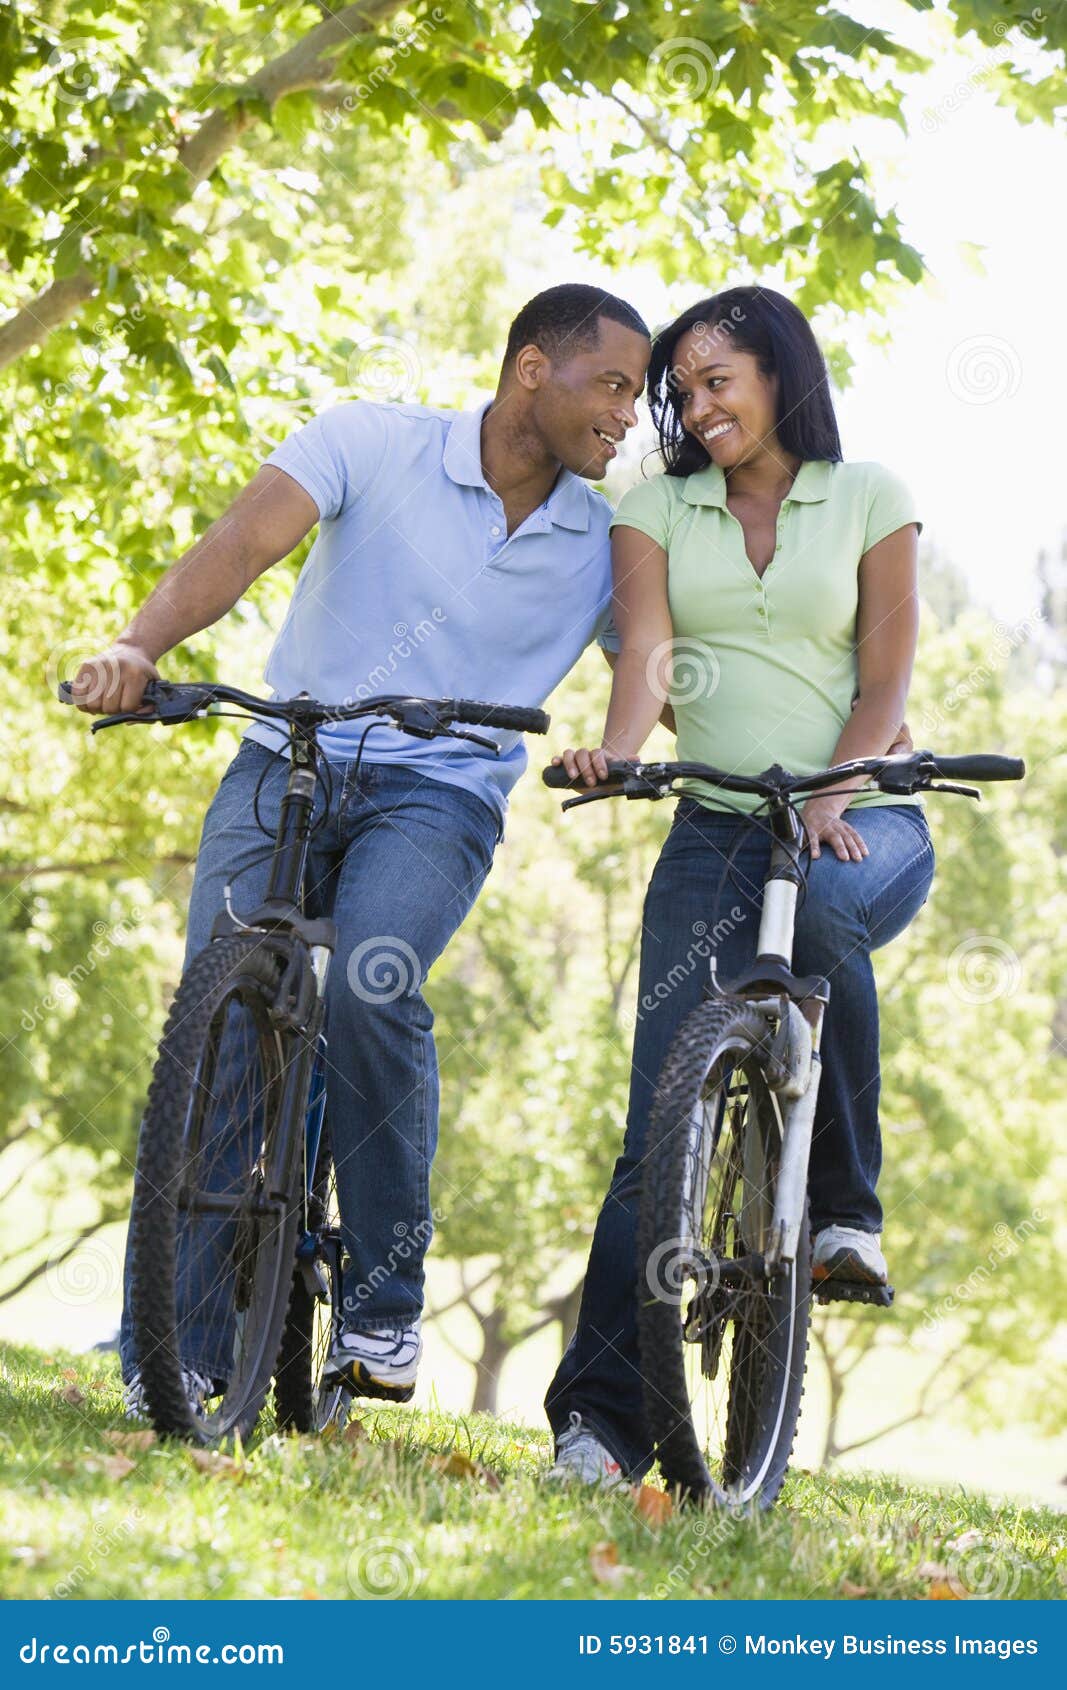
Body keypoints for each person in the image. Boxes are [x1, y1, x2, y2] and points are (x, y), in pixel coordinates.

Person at [71, 283, 651, 1413]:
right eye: (613, 386)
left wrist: (811, 733)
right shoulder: (368, 441)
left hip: (439, 796)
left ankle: (383, 1306)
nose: (626, 416)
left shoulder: (608, 535)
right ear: (532, 369)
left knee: (372, 985)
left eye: (635, 396)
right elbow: (241, 542)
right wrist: (136, 647)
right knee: (222, 1029)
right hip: (287, 755)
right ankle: (185, 1354)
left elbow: (656, 665)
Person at [543, 286, 935, 1487]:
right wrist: (617, 744)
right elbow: (646, 650)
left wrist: (831, 793)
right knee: (652, 1121)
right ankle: (596, 1427)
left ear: (779, 375)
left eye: (719, 380)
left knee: (819, 917)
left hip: (864, 811)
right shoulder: (656, 506)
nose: (696, 406)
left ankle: (840, 1214)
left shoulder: (868, 494)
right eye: (682, 390)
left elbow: (881, 680)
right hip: (717, 824)